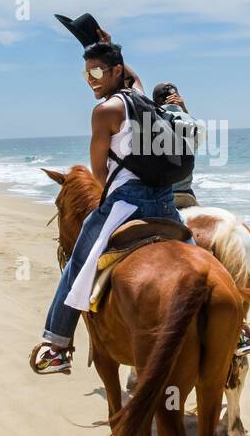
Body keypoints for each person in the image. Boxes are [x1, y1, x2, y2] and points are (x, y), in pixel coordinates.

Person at [31, 35, 184, 375]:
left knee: (76, 265)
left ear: (115, 72)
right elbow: (136, 77)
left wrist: (112, 194)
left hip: (126, 204)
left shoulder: (105, 112)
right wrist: (112, 47)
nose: (91, 82)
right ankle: (237, 336)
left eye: (98, 74)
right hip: (165, 204)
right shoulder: (143, 99)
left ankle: (57, 345)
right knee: (200, 254)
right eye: (87, 75)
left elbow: (99, 172)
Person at [151, 82, 199, 209]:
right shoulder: (191, 122)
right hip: (185, 195)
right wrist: (184, 110)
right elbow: (197, 139)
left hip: (158, 195)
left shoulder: (149, 121)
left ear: (155, 102)